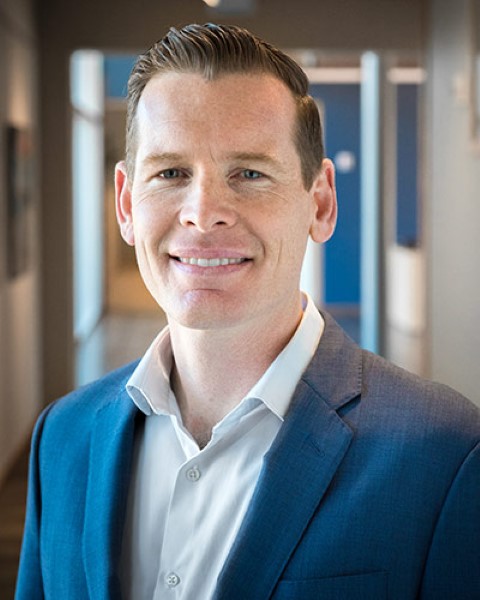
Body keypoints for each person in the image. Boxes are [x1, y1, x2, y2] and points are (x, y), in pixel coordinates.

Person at [16, 23, 480, 600]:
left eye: (250, 173)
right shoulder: (62, 437)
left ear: (321, 203)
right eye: (170, 173)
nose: (204, 212)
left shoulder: (445, 455)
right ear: (127, 204)